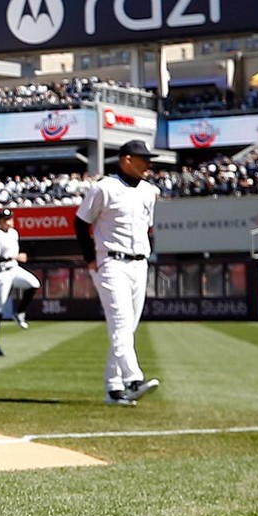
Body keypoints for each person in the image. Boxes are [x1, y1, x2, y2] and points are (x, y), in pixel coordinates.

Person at [75, 139, 161, 406]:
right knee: (121, 323)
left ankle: (114, 388)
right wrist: (90, 258)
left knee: (126, 328)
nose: (148, 165)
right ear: (127, 160)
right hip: (111, 261)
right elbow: (80, 222)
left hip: (139, 262)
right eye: (143, 159)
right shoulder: (104, 188)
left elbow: (148, 228)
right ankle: (133, 379)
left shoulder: (149, 191)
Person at [0, 208, 39, 356]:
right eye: (6, 219)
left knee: (34, 284)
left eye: (10, 218)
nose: (9, 221)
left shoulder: (14, 233)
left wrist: (15, 258)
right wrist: (14, 257)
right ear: (0, 221)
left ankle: (19, 313)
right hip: (0, 273)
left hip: (13, 269)